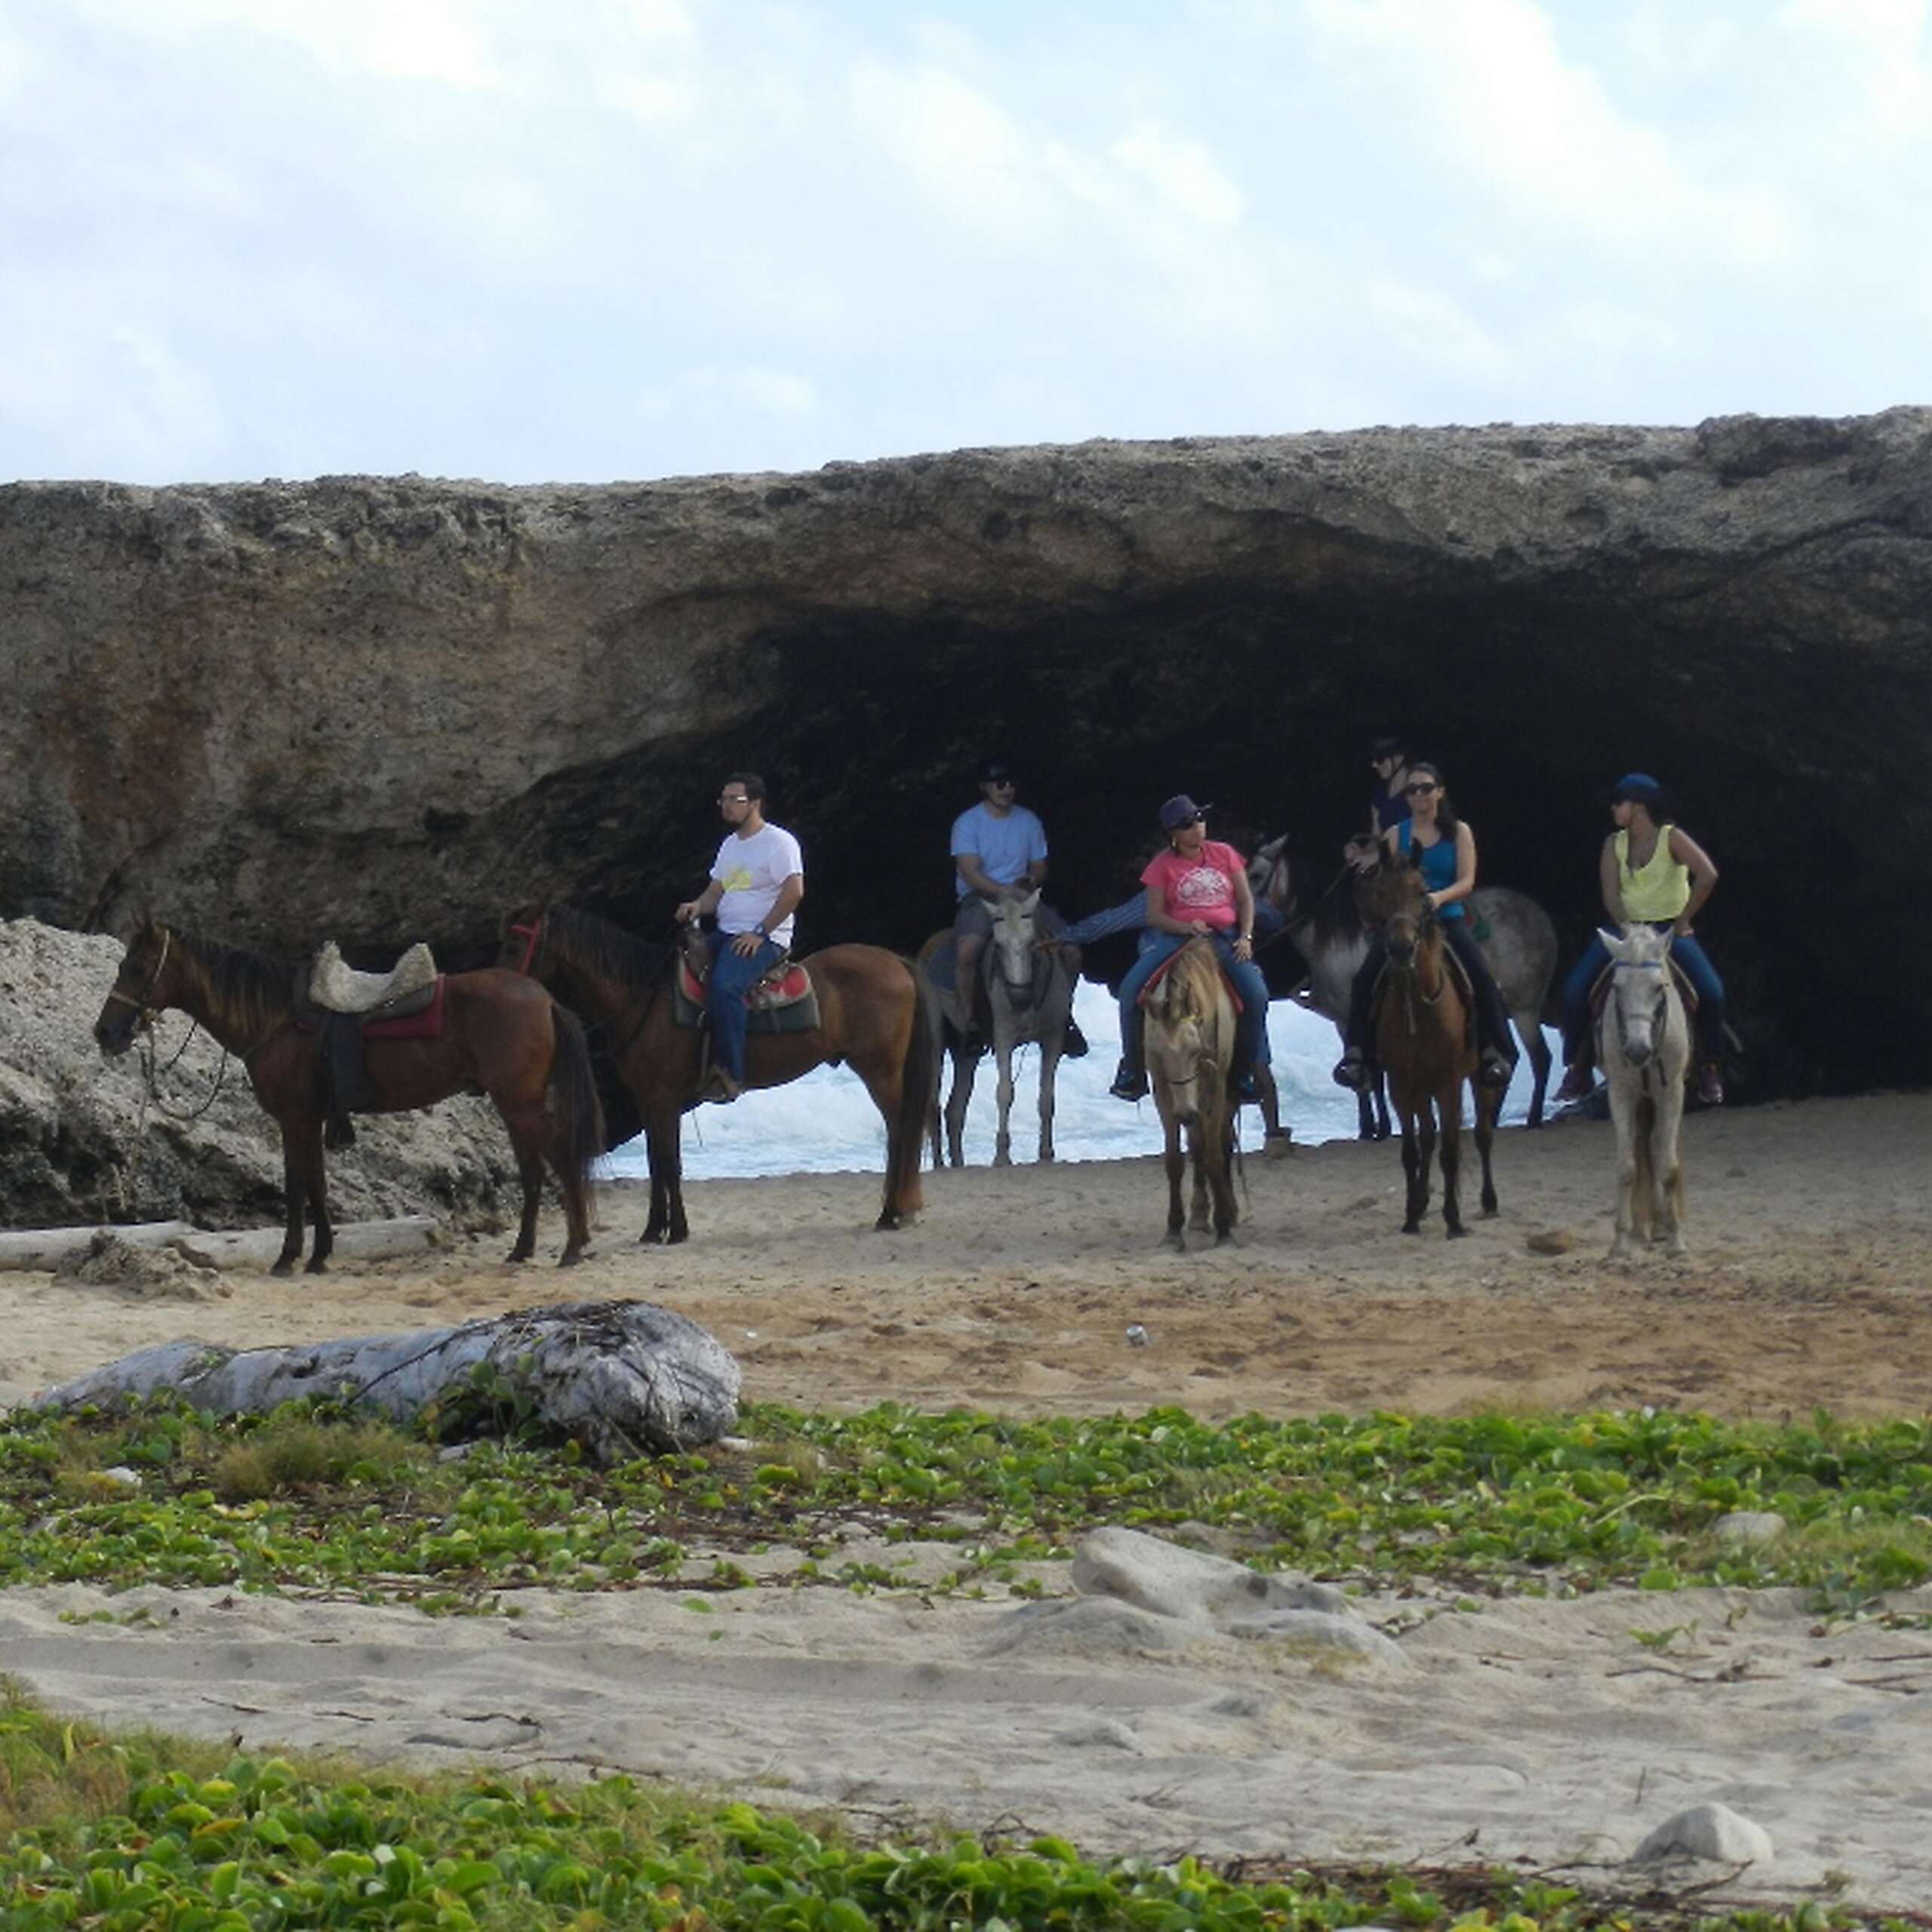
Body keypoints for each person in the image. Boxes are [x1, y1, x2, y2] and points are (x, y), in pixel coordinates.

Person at [1332, 761, 1518, 1093]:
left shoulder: (1459, 832)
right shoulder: (1394, 835)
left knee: (1480, 975)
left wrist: (1436, 899)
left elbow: (1467, 880)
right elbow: (1382, 877)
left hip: (1446, 919)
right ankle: (1359, 1056)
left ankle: (1498, 1052)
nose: (1419, 795)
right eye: (1413, 789)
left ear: (1440, 792)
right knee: (1365, 980)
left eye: (1426, 788)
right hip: (1404, 923)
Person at [1555, 774, 1727, 1107]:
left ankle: (1710, 1066)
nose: (1613, 807)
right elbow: (1610, 892)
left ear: (1639, 804)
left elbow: (1708, 874)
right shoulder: (1613, 844)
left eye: (1619, 801)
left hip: (1667, 932)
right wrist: (1626, 927)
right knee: (1575, 989)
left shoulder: (1671, 837)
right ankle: (1577, 1067)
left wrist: (1684, 919)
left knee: (1711, 990)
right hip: (1627, 931)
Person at [1108, 795, 1270, 1106]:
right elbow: (1154, 915)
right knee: (1130, 991)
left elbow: (1246, 900)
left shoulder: (1224, 854)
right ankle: (1133, 1068)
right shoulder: (1161, 866)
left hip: (1224, 936)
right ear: (1173, 833)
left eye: (1199, 819)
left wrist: (1246, 937)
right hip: (1177, 938)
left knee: (1257, 994)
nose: (1197, 827)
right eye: (1188, 824)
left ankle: (1247, 1069)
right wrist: (1186, 927)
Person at [673, 771, 803, 1104]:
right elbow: (716, 891)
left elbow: (794, 892)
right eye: (724, 800)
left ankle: (731, 1074)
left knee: (725, 987)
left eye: (735, 800)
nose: (726, 806)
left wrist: (761, 932)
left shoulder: (779, 843)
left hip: (764, 938)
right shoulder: (730, 845)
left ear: (755, 804)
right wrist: (696, 906)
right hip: (726, 933)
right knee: (675, 973)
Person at [949, 758, 1084, 1054]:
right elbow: (970, 872)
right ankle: (968, 1023)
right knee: (966, 952)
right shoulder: (967, 823)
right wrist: (1003, 890)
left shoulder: (1028, 821)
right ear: (985, 787)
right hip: (982, 899)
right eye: (999, 784)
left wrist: (1028, 882)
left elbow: (1039, 866)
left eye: (1011, 784)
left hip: (1024, 899)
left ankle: (1064, 1016)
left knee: (1071, 949)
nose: (1006, 789)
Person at [1365, 731, 1415, 839]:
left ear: (1399, 757)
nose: (1374, 765)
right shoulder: (1380, 795)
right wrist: (1359, 851)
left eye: (1380, 759)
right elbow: (1377, 839)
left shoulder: (1419, 790)